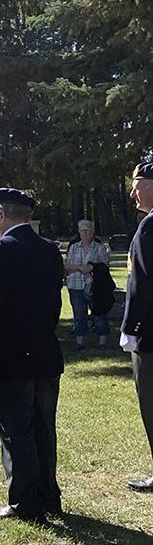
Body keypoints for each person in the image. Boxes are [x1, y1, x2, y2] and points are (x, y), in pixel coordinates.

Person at [0, 188, 64, 522]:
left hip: (9, 358)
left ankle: (25, 502)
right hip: (44, 353)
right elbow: (53, 305)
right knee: (43, 428)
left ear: (0, 213)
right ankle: (48, 495)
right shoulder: (49, 250)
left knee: (15, 432)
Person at [122, 161, 153, 491]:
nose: (133, 193)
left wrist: (132, 327)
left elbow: (141, 284)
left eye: (138, 185)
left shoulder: (149, 227)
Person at [64, 219, 111, 350]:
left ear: (92, 232)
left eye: (88, 231)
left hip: (95, 287)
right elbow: (67, 266)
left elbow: (105, 266)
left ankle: (102, 342)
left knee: (98, 313)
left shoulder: (99, 248)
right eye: (82, 231)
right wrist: (80, 268)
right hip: (76, 285)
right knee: (79, 314)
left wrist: (92, 268)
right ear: (79, 232)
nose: (85, 233)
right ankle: (79, 342)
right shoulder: (73, 247)